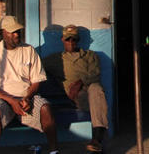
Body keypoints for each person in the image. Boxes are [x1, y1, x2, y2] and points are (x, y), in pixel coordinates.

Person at [0, 15, 59, 154]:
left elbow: (36, 80)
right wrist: (12, 101)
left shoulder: (29, 51)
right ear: (2, 33)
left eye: (18, 31)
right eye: (12, 31)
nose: (16, 35)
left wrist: (27, 98)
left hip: (26, 98)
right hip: (2, 100)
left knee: (46, 108)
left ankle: (54, 151)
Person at [45, 24, 108, 152]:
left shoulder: (90, 55)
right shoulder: (55, 59)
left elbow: (95, 75)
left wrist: (80, 82)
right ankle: (98, 139)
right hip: (76, 98)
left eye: (74, 39)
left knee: (96, 89)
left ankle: (97, 139)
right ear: (63, 40)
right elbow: (34, 66)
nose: (71, 42)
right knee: (96, 92)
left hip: (91, 92)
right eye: (68, 39)